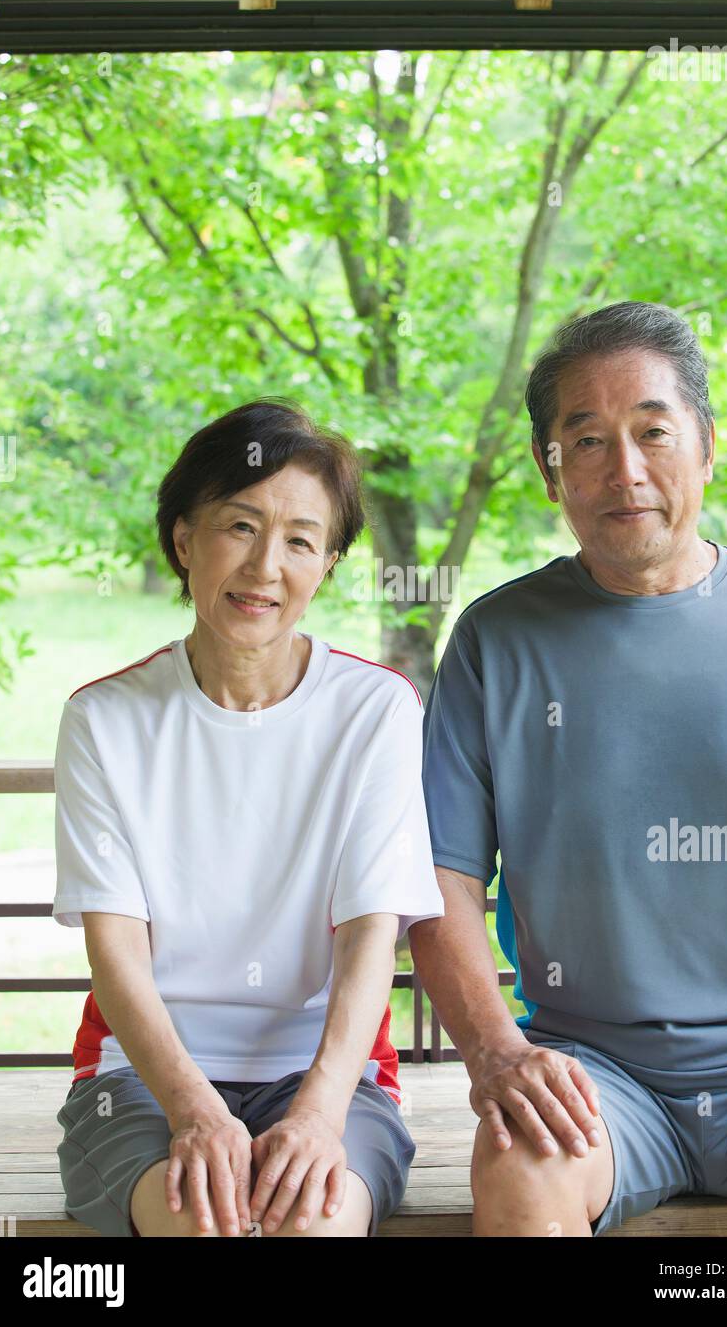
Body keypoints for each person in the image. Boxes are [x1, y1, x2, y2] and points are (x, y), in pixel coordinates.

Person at [411, 299, 727, 1236]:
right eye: (589, 441)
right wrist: (495, 1052)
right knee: (524, 1186)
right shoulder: (496, 642)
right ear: (548, 470)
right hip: (595, 1076)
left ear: (707, 445)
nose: (627, 471)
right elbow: (437, 876)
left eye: (653, 431)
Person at [53, 398, 444, 1238]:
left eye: (301, 540)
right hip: (143, 1080)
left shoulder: (375, 711)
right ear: (185, 539)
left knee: (306, 1227)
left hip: (328, 1077)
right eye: (239, 525)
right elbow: (115, 948)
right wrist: (195, 1109)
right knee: (211, 1227)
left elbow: (371, 933)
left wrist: (317, 1115)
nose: (266, 566)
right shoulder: (106, 720)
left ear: (327, 566)